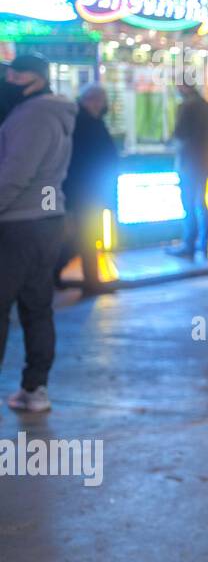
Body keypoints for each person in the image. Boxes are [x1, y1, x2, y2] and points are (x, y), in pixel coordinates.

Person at [0, 53, 76, 412]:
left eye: (15, 76)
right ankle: (35, 388)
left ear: (33, 78)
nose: (9, 81)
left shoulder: (33, 115)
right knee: (36, 308)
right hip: (47, 218)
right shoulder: (55, 112)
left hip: (20, 222)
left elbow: (15, 174)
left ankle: (34, 387)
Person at [57, 82, 118, 294]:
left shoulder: (85, 120)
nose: (103, 105)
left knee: (84, 236)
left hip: (88, 188)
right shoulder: (83, 122)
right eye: (101, 100)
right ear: (92, 100)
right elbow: (87, 157)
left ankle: (72, 277)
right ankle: (88, 281)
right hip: (86, 189)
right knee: (84, 236)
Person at [167, 80, 208, 259]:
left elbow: (179, 132)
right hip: (205, 160)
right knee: (201, 203)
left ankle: (188, 243)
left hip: (188, 159)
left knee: (188, 202)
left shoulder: (186, 106)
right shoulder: (207, 107)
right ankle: (204, 242)